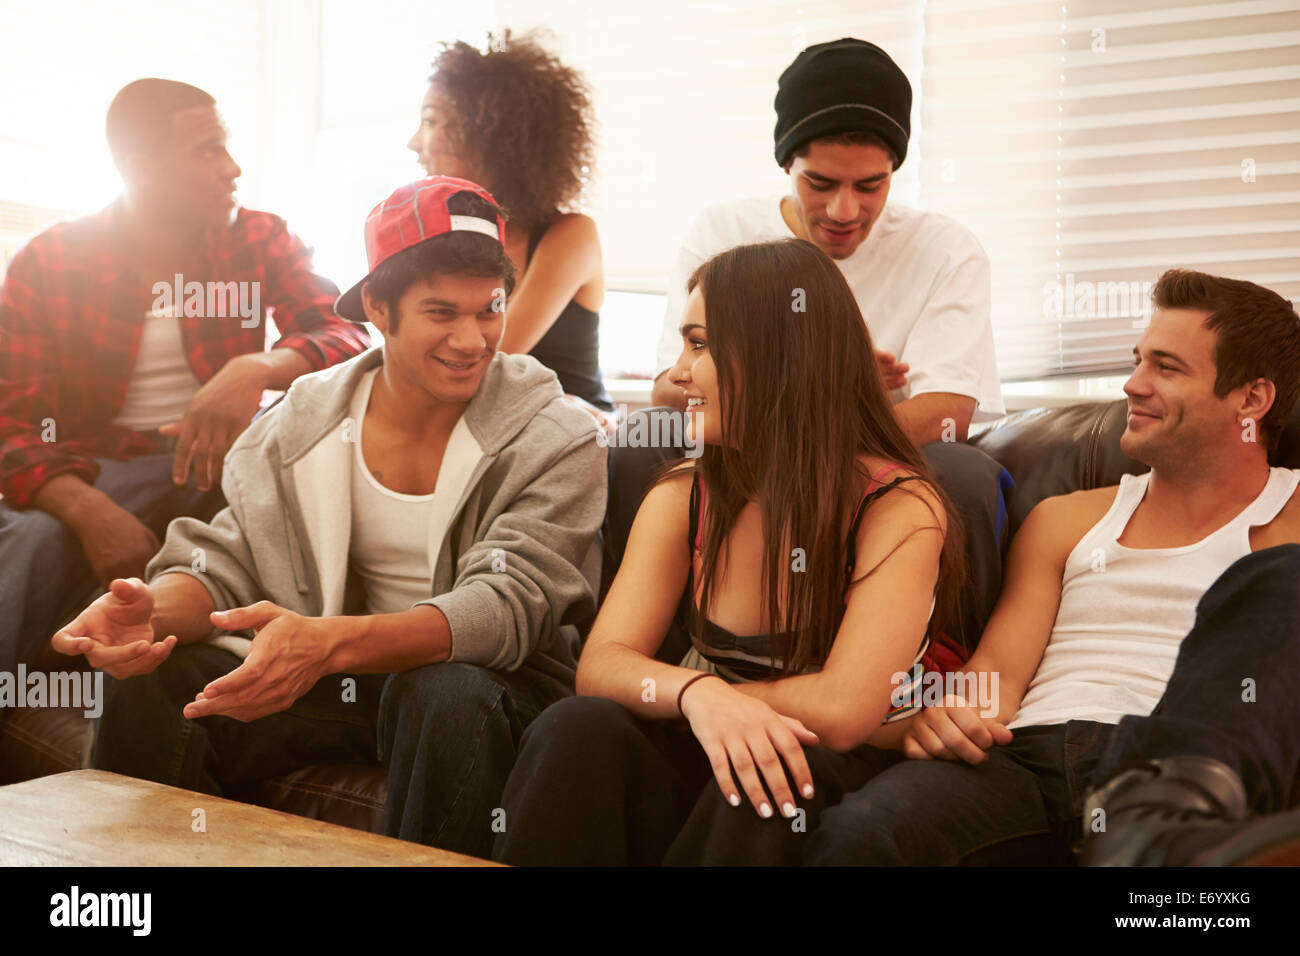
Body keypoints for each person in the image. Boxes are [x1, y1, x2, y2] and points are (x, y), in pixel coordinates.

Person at [55, 177, 606, 858]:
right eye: (441, 312)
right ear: (378, 305)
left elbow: (508, 606)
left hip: (486, 696)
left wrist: (328, 642)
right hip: (337, 688)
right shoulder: (303, 420)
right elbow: (229, 558)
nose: (473, 339)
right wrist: (152, 612)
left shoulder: (553, 435)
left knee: (444, 693)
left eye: (489, 309)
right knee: (157, 684)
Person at [493, 238, 967, 866]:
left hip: (820, 769)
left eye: (700, 344)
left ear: (782, 354)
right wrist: (700, 695)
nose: (679, 373)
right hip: (701, 739)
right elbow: (602, 665)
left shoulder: (897, 508)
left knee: (763, 772)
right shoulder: (684, 495)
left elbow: (845, 710)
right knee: (575, 727)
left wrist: (719, 703)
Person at [804, 269, 1300, 867]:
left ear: (1252, 399)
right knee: (864, 834)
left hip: (1174, 770)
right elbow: (1001, 677)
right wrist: (956, 714)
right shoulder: (1063, 519)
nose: (1131, 385)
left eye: (1166, 368)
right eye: (1137, 361)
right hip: (1025, 757)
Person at [611, 38, 1010, 652]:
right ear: (786, 165)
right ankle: (659, 658)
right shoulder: (725, 232)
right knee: (639, 446)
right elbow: (673, 383)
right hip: (743, 447)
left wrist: (837, 402)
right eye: (820, 182)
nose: (845, 209)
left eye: (871, 186)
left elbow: (950, 412)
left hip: (877, 455)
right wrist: (821, 388)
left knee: (965, 472)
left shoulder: (946, 249)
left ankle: (945, 676)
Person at [0, 78, 370, 674]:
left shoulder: (259, 238)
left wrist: (256, 366)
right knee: (29, 540)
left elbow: (347, 334)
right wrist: (90, 512)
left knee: (273, 517)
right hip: (95, 469)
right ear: (140, 167)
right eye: (208, 151)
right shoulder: (53, 260)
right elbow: (13, 424)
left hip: (218, 464)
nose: (233, 168)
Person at [407, 29, 614, 423]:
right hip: (479, 430)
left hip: (575, 431)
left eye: (431, 121)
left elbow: (488, 358)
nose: (415, 142)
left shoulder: (569, 236)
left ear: (491, 134)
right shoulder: (442, 236)